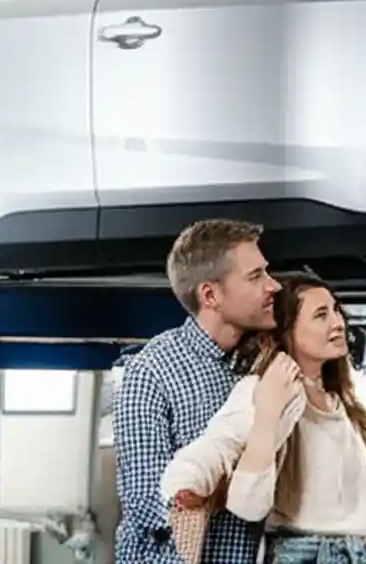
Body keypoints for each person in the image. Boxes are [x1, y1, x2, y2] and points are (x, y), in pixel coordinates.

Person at [159, 271, 366, 564]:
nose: (338, 323)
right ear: (287, 330)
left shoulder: (343, 405)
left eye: (336, 310)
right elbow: (221, 443)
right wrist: (187, 482)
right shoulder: (265, 390)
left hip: (359, 552)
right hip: (303, 552)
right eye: (321, 315)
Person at [113, 219, 283, 563]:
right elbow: (150, 505)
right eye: (256, 277)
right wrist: (237, 486)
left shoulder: (264, 371)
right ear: (210, 295)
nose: (274, 286)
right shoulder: (152, 372)